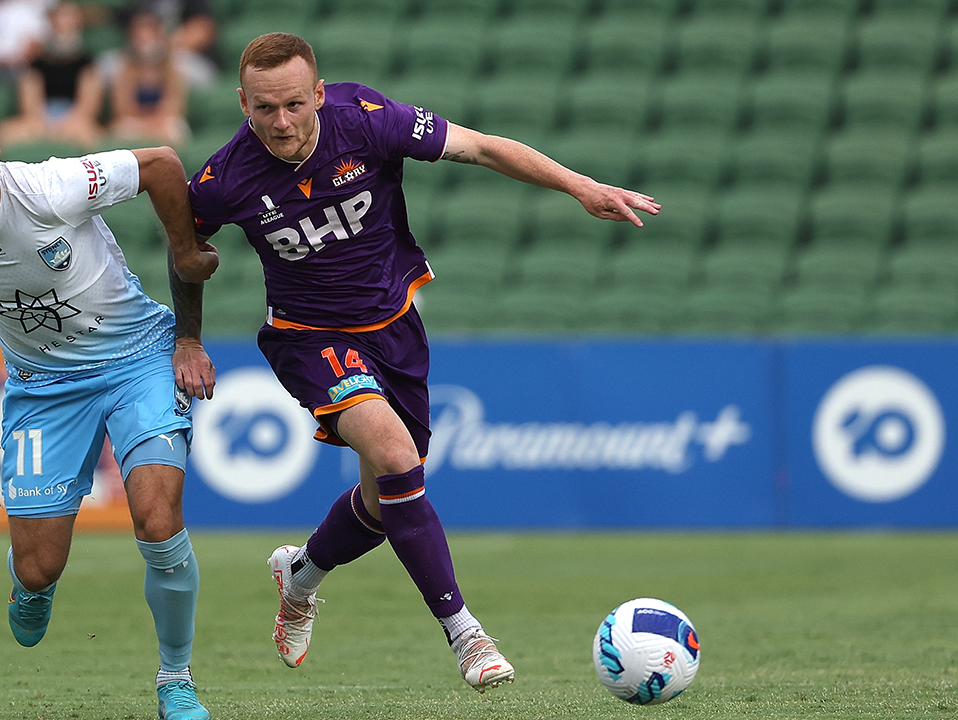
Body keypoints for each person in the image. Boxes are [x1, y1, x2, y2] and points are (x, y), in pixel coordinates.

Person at [186, 33, 660, 693]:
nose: (282, 122)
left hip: (394, 327)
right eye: (265, 108)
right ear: (243, 103)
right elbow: (186, 250)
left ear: (318, 94)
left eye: (294, 104)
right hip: (308, 337)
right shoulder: (224, 178)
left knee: (385, 503)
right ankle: (467, 635)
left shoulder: (367, 121)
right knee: (395, 455)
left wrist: (580, 186)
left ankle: (300, 577)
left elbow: (484, 148)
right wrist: (188, 339)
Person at [0, 102, 220, 720]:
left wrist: (185, 259)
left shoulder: (50, 188)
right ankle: (31, 586)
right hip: (43, 386)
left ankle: (176, 679)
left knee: (158, 519)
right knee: (38, 566)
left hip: (138, 358)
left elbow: (161, 164)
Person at [0, 1, 105, 147]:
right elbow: (29, 102)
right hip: (39, 119)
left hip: (75, 120)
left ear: (78, 21)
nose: (63, 22)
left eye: (68, 16)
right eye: (59, 16)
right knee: (5, 132)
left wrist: (66, 123)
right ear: (51, 20)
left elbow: (88, 105)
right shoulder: (37, 61)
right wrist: (44, 122)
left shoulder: (87, 62)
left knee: (90, 137)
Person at [107, 5, 190, 146]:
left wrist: (155, 124)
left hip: (163, 121)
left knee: (175, 129)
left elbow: (174, 107)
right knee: (120, 130)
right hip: (135, 123)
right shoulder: (125, 69)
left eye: (149, 32)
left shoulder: (172, 68)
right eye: (139, 34)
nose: (145, 38)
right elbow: (121, 108)